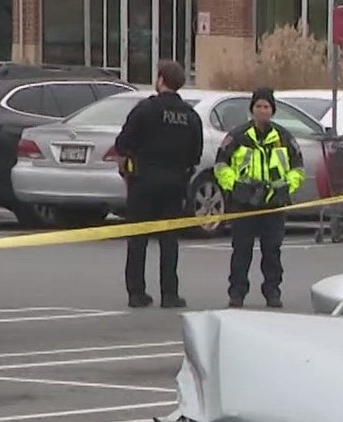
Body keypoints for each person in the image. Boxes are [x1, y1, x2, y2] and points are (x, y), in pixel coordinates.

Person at [113, 61, 203, 309]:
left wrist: (128, 167)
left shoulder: (145, 110)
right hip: (174, 184)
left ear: (161, 80)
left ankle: (136, 292)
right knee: (169, 241)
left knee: (138, 239)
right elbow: (195, 154)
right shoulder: (190, 116)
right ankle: (170, 294)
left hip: (143, 183)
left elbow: (123, 143)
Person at [213, 88, 304, 308]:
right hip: (244, 204)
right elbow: (221, 165)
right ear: (252, 109)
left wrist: (285, 187)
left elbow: (298, 169)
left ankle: (272, 292)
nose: (262, 111)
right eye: (258, 106)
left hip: (273, 205)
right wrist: (235, 185)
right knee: (241, 251)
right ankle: (237, 293)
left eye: (266, 107)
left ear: (272, 110)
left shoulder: (283, 137)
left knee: (272, 251)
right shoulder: (238, 136)